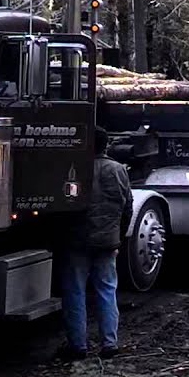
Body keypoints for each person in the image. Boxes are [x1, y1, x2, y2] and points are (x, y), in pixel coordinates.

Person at [59, 126, 133, 360]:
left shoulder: (76, 170)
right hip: (108, 241)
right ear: (106, 145)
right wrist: (118, 236)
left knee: (75, 292)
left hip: (77, 241)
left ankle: (77, 346)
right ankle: (110, 343)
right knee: (107, 290)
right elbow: (127, 206)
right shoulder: (119, 170)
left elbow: (66, 205)